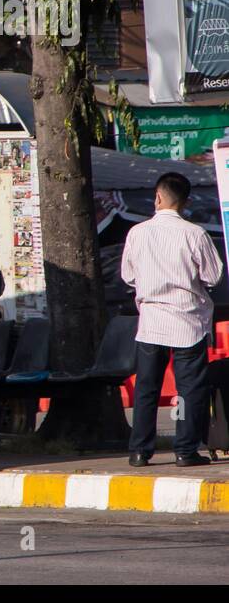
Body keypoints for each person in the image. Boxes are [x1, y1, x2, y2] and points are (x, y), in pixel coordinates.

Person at [120, 171, 224, 467]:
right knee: (188, 390)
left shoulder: (137, 233)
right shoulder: (194, 234)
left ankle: (139, 451)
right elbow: (213, 276)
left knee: (146, 388)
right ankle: (185, 450)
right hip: (186, 322)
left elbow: (128, 275)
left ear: (158, 197)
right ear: (185, 202)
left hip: (151, 321)